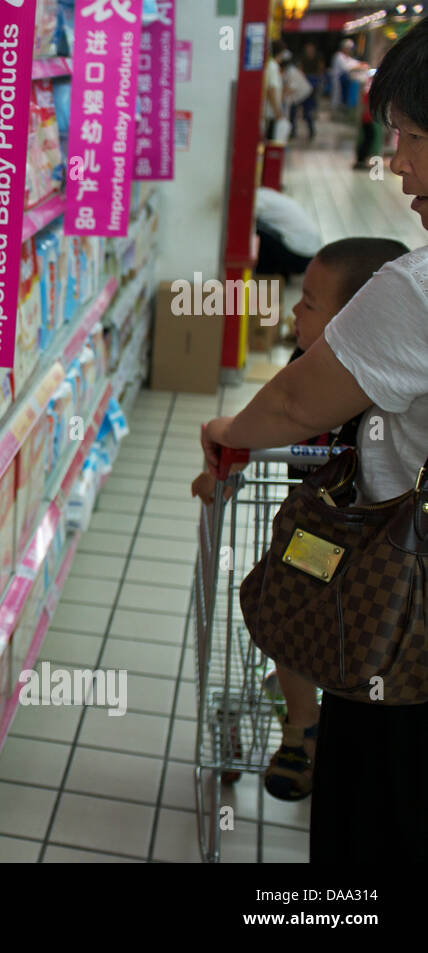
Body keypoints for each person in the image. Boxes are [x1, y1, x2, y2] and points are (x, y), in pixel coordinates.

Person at [200, 16, 428, 861]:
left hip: (403, 623)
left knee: (371, 825)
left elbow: (296, 402)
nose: (395, 160)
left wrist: (227, 434)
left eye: (406, 133)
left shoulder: (415, 291)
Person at [192, 238, 409, 801]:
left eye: (309, 302)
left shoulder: (380, 384)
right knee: (293, 616)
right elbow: (263, 424)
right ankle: (300, 726)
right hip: (314, 543)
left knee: (347, 634)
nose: (293, 309)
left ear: (356, 320)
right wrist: (219, 469)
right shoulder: (307, 368)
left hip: (379, 552)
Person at [254, 186, 322, 281]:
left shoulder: (257, 198)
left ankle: (265, 275)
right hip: (310, 255)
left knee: (255, 231)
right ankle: (280, 271)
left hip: (298, 256)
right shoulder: (266, 194)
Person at [329, 39, 368, 116]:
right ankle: (335, 114)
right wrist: (359, 66)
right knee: (337, 97)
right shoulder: (338, 56)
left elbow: (354, 62)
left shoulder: (347, 58)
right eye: (348, 49)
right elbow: (346, 67)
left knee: (344, 98)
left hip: (346, 81)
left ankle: (344, 112)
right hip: (338, 80)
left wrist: (361, 64)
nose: (350, 50)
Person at [263, 41, 286, 141]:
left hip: (270, 110)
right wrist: (277, 110)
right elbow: (271, 90)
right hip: (270, 111)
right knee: (270, 140)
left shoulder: (271, 65)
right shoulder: (273, 66)